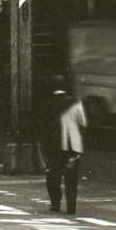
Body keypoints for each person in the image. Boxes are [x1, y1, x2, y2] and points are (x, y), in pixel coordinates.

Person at [47, 83, 88, 215]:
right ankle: (71, 208)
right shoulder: (75, 102)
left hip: (54, 147)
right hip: (73, 147)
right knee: (71, 180)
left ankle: (55, 204)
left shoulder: (47, 103)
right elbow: (83, 122)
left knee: (53, 177)